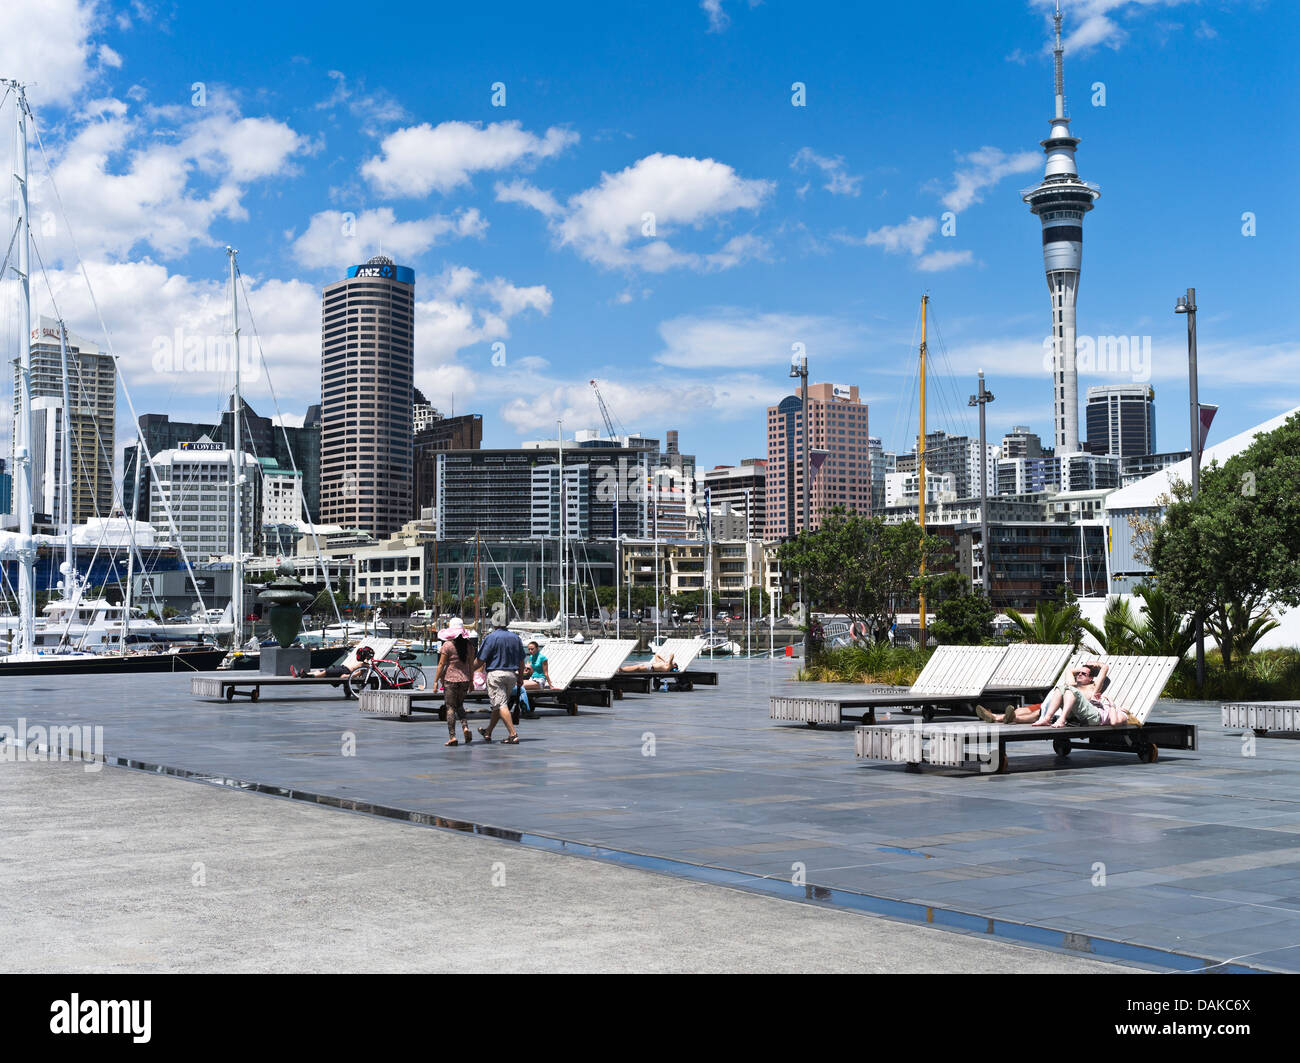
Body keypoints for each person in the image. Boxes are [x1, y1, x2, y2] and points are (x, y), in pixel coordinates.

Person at [976, 661, 1123, 727]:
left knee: (1035, 714)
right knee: (1024, 710)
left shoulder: (1093, 688)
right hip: (1054, 703)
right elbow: (1069, 671)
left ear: (1091, 678)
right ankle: (998, 717)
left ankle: (999, 718)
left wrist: (1094, 664)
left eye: (1084, 674)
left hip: (1064, 709)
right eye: (1079, 673)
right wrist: (1082, 668)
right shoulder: (1073, 684)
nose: (1079, 675)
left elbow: (1105, 668)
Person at [473, 617, 525, 743]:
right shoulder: (515, 638)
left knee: (501, 704)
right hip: (511, 675)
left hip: (496, 675)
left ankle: (513, 734)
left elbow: (480, 660)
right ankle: (488, 731)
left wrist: (469, 670)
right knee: (498, 705)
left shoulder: (491, 638)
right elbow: (521, 660)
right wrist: (520, 677)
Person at [434, 617, 474, 746]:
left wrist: (435, 681)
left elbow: (441, 664)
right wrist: (472, 681)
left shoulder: (448, 645)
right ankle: (465, 727)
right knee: (460, 705)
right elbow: (471, 665)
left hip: (450, 680)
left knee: (450, 708)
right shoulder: (469, 645)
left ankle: (452, 737)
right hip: (465, 680)